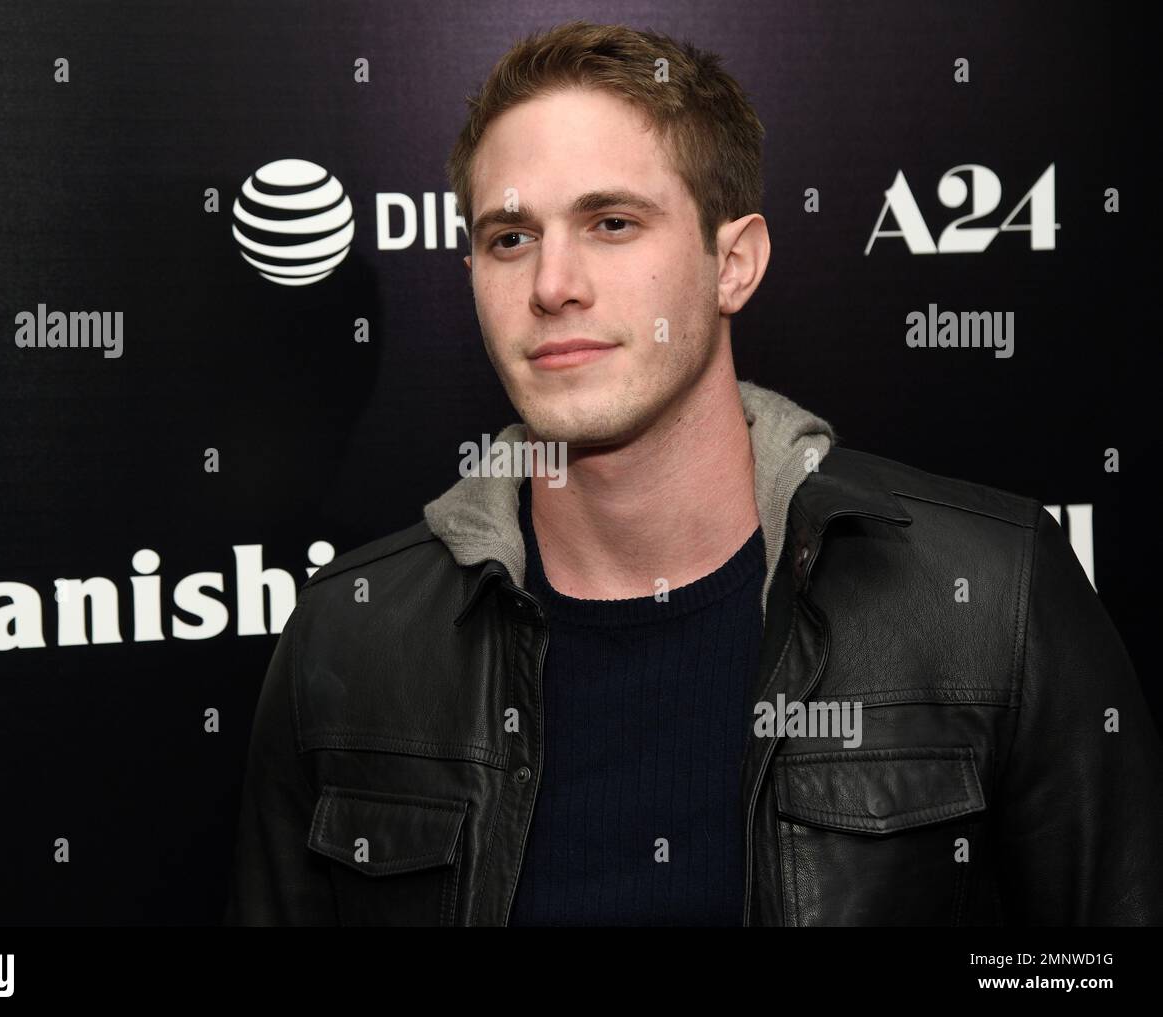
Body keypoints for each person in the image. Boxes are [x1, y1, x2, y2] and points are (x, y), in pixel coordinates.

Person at [225, 19, 1163, 926]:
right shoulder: (346, 642)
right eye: (509, 237)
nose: (552, 285)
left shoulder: (992, 599)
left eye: (613, 222)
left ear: (734, 263)